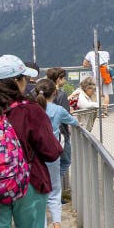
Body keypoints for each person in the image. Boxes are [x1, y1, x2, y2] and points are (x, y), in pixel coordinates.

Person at [0, 54, 62, 228]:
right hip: (30, 186)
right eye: (24, 78)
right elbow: (51, 152)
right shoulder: (30, 110)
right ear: (17, 81)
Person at [34, 78, 79, 228]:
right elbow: (74, 122)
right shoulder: (58, 110)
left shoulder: (32, 110)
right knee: (54, 192)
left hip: (35, 158)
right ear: (55, 93)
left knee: (40, 197)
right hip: (52, 155)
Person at [45, 68, 72, 197]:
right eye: (63, 78)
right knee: (65, 161)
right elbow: (65, 116)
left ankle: (51, 187)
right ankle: (54, 189)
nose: (65, 80)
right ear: (58, 79)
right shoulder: (61, 95)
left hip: (46, 135)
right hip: (61, 135)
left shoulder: (42, 92)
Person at [83, 41, 111, 107]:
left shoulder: (90, 53)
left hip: (97, 75)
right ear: (100, 46)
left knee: (97, 92)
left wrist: (92, 64)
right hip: (106, 74)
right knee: (106, 93)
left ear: (93, 47)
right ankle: (105, 111)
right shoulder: (106, 53)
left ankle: (99, 109)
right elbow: (107, 62)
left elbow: (84, 64)